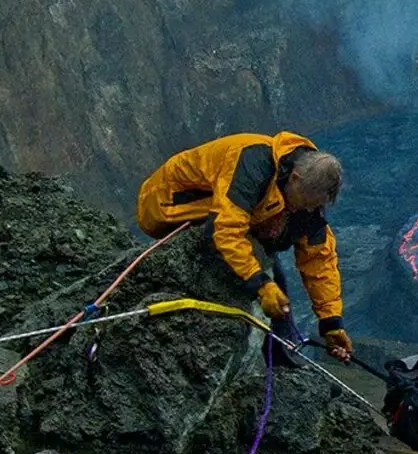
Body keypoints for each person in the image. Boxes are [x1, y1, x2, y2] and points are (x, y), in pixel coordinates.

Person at [136, 131, 353, 363]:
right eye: (307, 203)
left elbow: (318, 259)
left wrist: (331, 322)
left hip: (236, 216)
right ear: (295, 178)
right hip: (170, 205)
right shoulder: (252, 163)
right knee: (260, 263)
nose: (309, 210)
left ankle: (279, 352)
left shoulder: (306, 193)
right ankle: (269, 349)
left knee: (272, 269)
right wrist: (260, 283)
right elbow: (225, 230)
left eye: (315, 206)